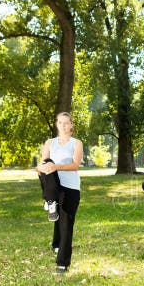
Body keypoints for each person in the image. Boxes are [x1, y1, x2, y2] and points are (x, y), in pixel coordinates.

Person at [36, 112, 83, 273]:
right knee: (46, 162)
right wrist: (42, 168)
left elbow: (75, 165)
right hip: (53, 185)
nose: (63, 126)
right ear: (56, 124)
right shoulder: (50, 142)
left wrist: (55, 166)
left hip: (71, 188)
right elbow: (42, 164)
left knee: (65, 225)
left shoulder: (76, 143)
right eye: (60, 122)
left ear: (71, 125)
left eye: (66, 123)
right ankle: (50, 201)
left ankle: (62, 263)